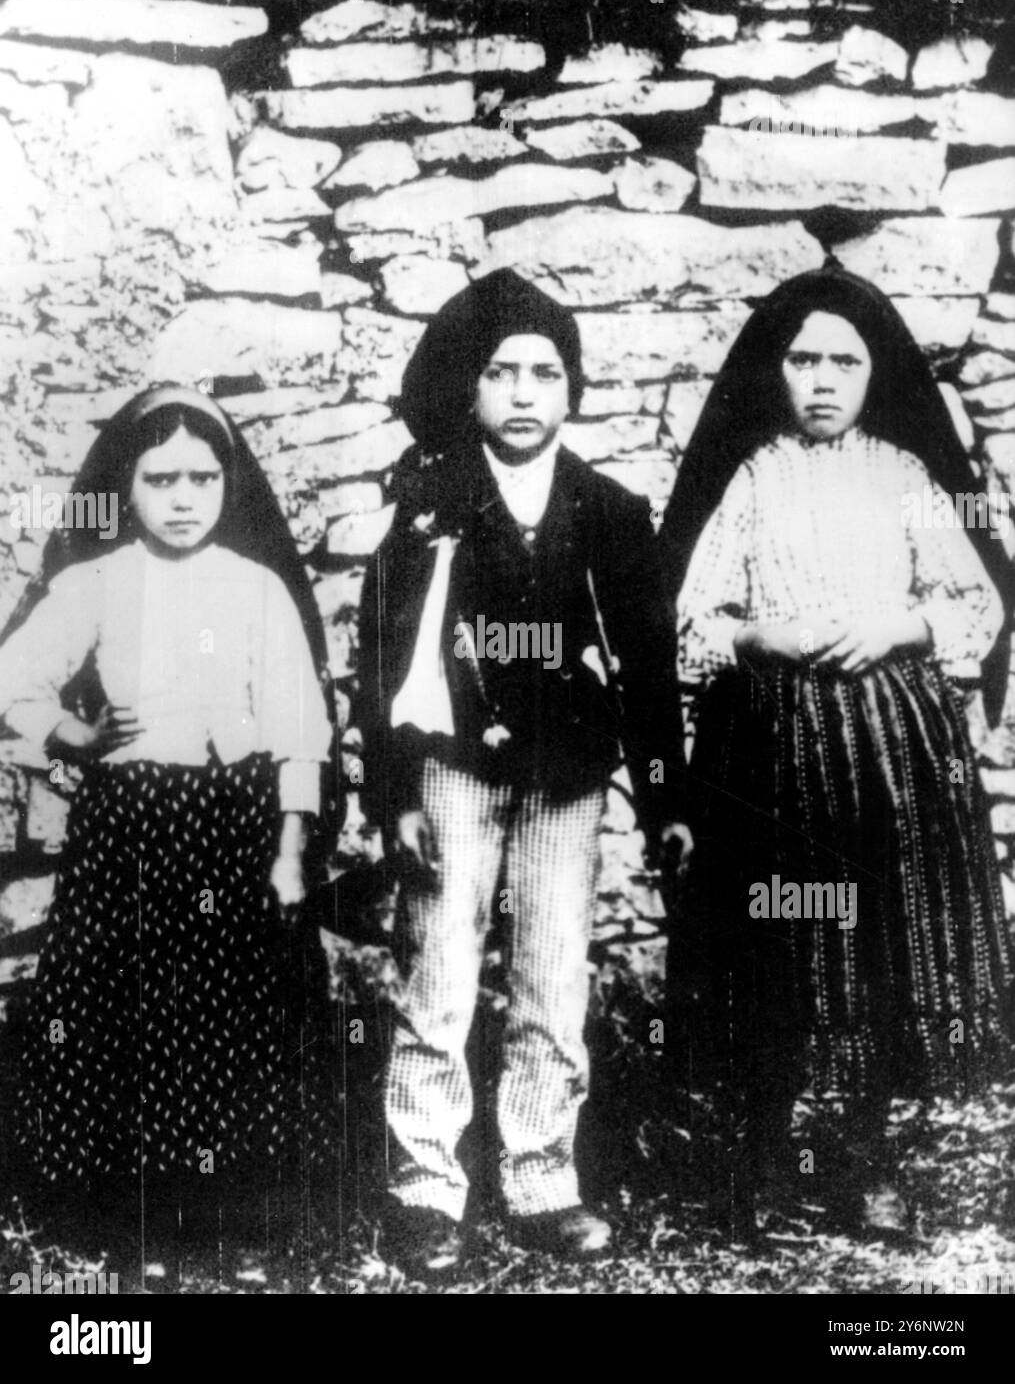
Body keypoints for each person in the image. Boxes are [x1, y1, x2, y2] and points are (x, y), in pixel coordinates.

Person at [662, 264, 1015, 1239]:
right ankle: (769, 1168)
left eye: (843, 361)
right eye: (802, 358)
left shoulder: (904, 478)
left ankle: (863, 1161)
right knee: (779, 951)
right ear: (775, 370)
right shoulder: (752, 477)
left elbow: (974, 601)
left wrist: (899, 624)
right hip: (769, 751)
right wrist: (756, 638)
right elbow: (692, 614)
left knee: (882, 950)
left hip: (888, 752)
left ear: (875, 374)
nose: (820, 378)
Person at [358, 268, 691, 1277]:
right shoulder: (428, 502)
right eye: (501, 372)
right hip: (456, 767)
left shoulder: (609, 512)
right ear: (470, 389)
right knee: (441, 967)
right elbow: (382, 652)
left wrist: (665, 793)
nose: (522, 393)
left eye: (545, 373)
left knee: (550, 968)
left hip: (568, 779)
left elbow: (647, 660)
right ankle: (425, 1186)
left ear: (572, 392)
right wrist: (389, 792)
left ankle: (542, 1174)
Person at [0, 384, 339, 1287]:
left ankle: (235, 1206)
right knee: (134, 1010)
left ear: (229, 484)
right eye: (160, 479)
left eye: (201, 477)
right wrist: (73, 735)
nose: (183, 498)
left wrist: (290, 850)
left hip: (236, 824)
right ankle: (135, 1210)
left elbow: (298, 725)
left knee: (230, 1008)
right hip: (133, 827)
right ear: (128, 486)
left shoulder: (257, 587)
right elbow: (13, 679)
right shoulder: (97, 583)